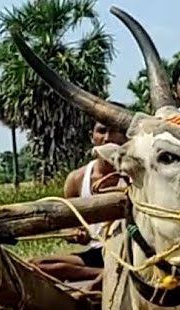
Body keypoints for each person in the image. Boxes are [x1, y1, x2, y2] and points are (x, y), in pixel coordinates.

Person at [33, 111, 128, 287]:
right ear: (92, 136)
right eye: (101, 131)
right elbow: (67, 227)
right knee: (36, 266)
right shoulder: (77, 179)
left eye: (114, 131)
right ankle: (107, 275)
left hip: (131, 253)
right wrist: (74, 234)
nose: (107, 138)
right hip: (97, 253)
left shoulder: (137, 176)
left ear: (126, 137)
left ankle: (117, 274)